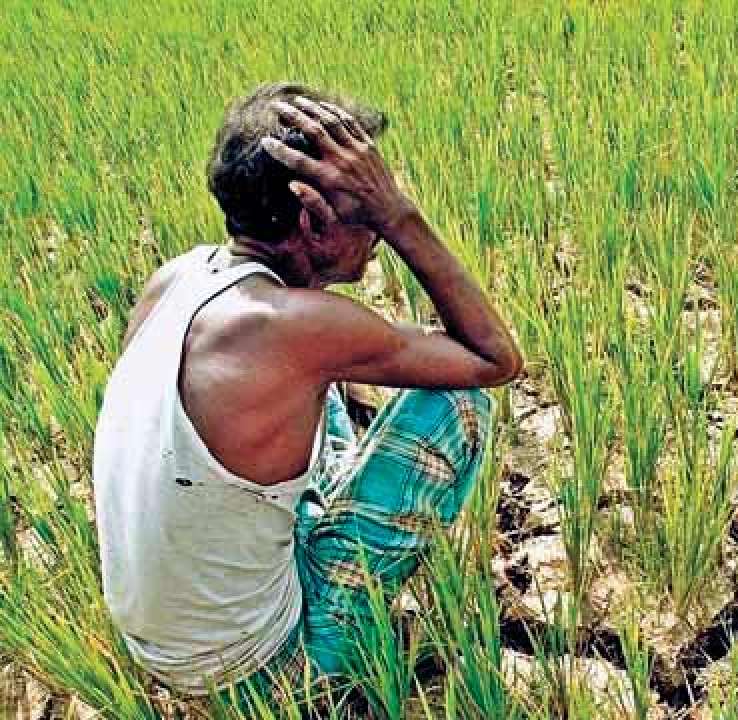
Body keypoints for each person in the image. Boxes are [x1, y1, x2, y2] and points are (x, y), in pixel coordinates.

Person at [91, 81, 523, 705]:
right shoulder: (292, 328)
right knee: (457, 405)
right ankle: (336, 657)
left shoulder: (177, 279)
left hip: (163, 648)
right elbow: (493, 358)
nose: (376, 220)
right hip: (261, 674)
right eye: (366, 201)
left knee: (331, 406)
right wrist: (399, 215)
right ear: (314, 219)